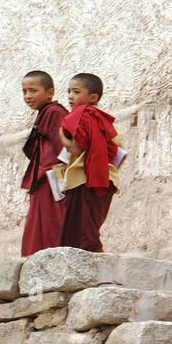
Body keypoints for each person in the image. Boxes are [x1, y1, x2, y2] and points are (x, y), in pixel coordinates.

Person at [58, 74, 120, 253]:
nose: (70, 96)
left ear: (93, 98)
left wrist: (63, 137)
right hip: (106, 178)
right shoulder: (104, 119)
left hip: (85, 179)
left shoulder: (82, 114)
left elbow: (77, 149)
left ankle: (95, 271)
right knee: (89, 228)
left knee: (83, 233)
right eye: (69, 92)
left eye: (76, 92)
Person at [20, 71, 68, 256]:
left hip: (50, 179)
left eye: (33, 90)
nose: (28, 96)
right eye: (24, 91)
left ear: (50, 92)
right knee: (39, 227)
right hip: (43, 179)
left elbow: (63, 148)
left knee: (49, 226)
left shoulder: (53, 112)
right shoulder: (45, 113)